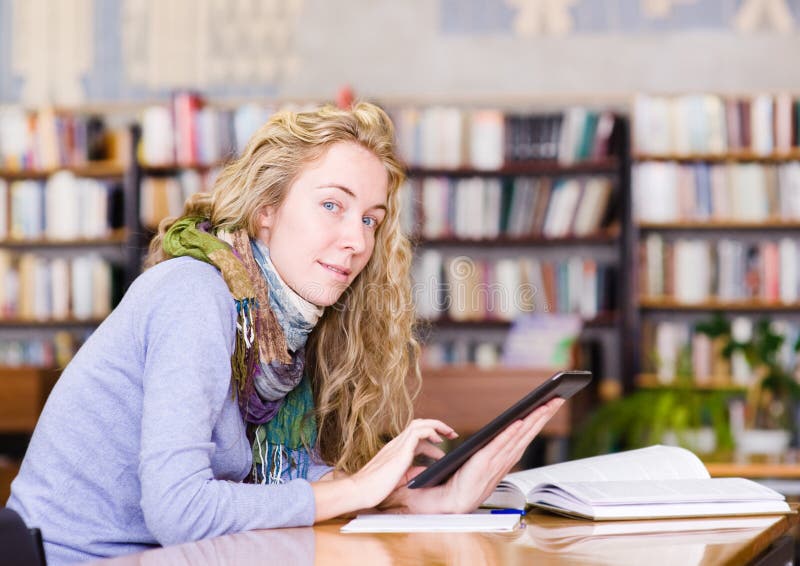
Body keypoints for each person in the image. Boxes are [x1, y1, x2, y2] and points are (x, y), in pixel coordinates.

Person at [6, 102, 563, 564]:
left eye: (370, 218)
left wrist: (419, 497)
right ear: (266, 210)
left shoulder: (280, 330)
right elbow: (179, 511)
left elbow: (288, 484)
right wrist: (357, 490)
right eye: (331, 206)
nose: (357, 240)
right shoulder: (194, 293)